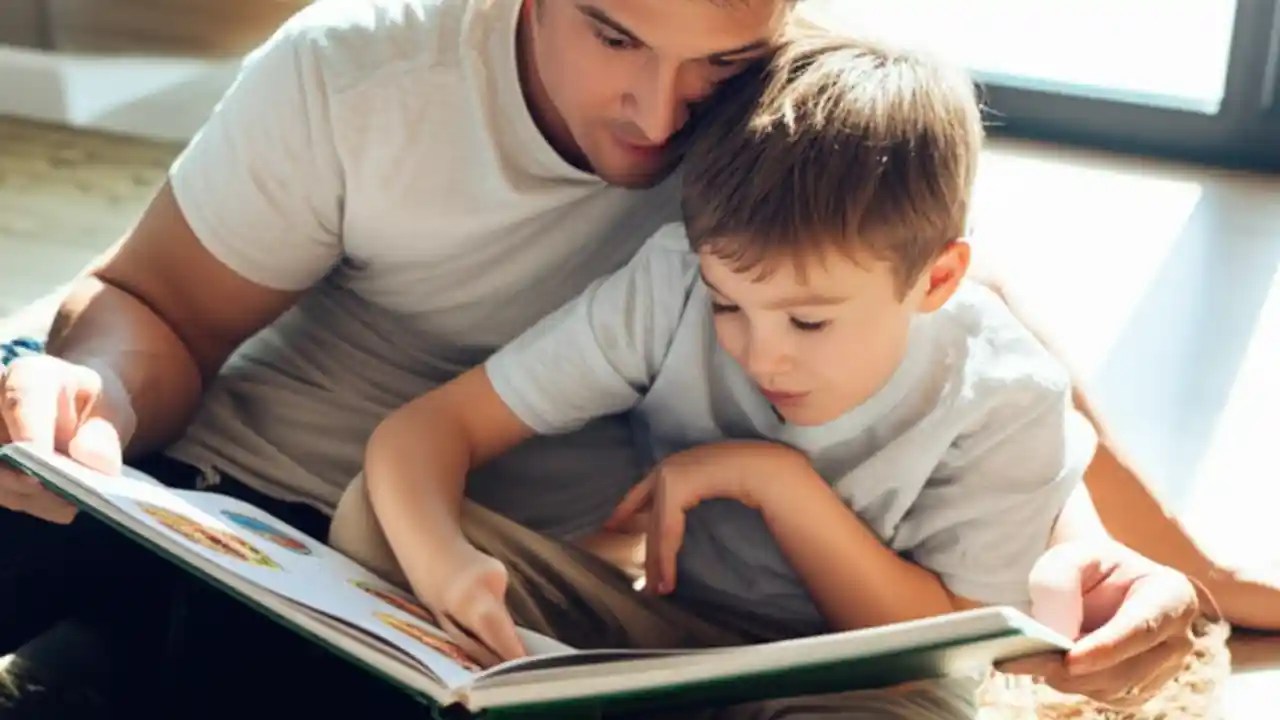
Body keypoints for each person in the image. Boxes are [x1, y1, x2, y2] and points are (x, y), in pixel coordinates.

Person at [0, 0, 1223, 714]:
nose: (659, 116)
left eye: (720, 67)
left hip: (430, 599)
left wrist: (1140, 565)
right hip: (192, 488)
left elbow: (953, 341)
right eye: (613, 36)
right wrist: (88, 393)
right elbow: (151, 302)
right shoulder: (361, 71)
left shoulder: (781, 124)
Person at [337, 31, 1194, 719]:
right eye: (728, 305)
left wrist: (772, 481)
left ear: (935, 279)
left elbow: (942, 639)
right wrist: (446, 565)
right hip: (672, 641)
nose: (759, 353)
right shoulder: (672, 284)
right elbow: (425, 433)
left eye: (810, 320)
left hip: (871, 680)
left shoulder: (1004, 391)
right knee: (380, 518)